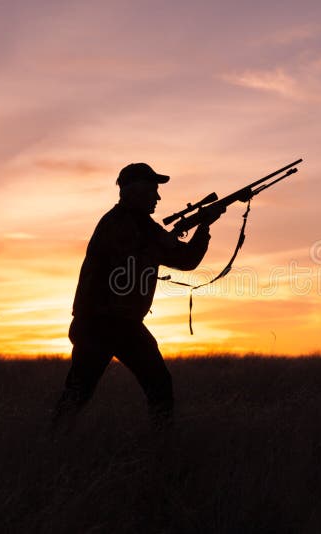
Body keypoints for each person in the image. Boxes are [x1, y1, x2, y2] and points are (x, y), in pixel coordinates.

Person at [52, 162, 224, 430]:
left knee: (83, 393)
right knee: (147, 387)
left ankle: (53, 440)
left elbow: (180, 257)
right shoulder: (131, 225)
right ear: (134, 190)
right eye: (153, 189)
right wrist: (202, 227)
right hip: (107, 324)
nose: (157, 197)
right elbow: (185, 258)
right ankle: (161, 447)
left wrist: (202, 226)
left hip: (112, 324)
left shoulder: (130, 223)